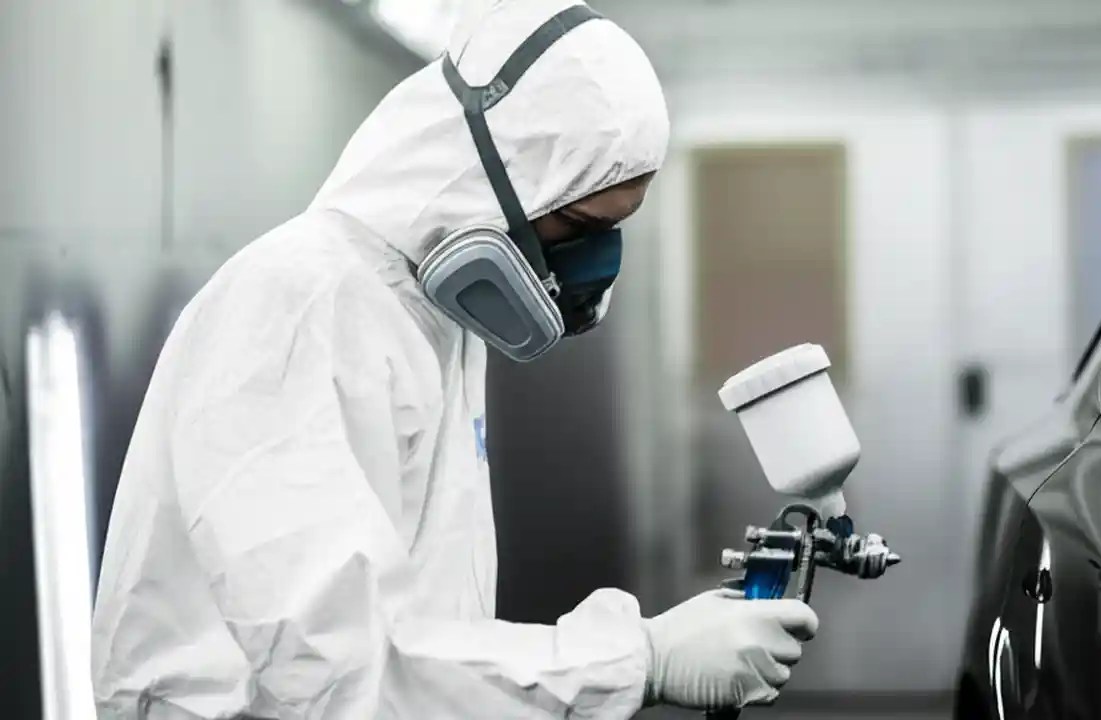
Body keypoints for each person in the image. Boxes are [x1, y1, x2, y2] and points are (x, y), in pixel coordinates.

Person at [90, 1, 819, 717]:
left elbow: (427, 642)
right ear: (488, 176)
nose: (589, 264)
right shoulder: (298, 308)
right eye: (577, 225)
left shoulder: (432, 321)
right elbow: (341, 669)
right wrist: (639, 660)